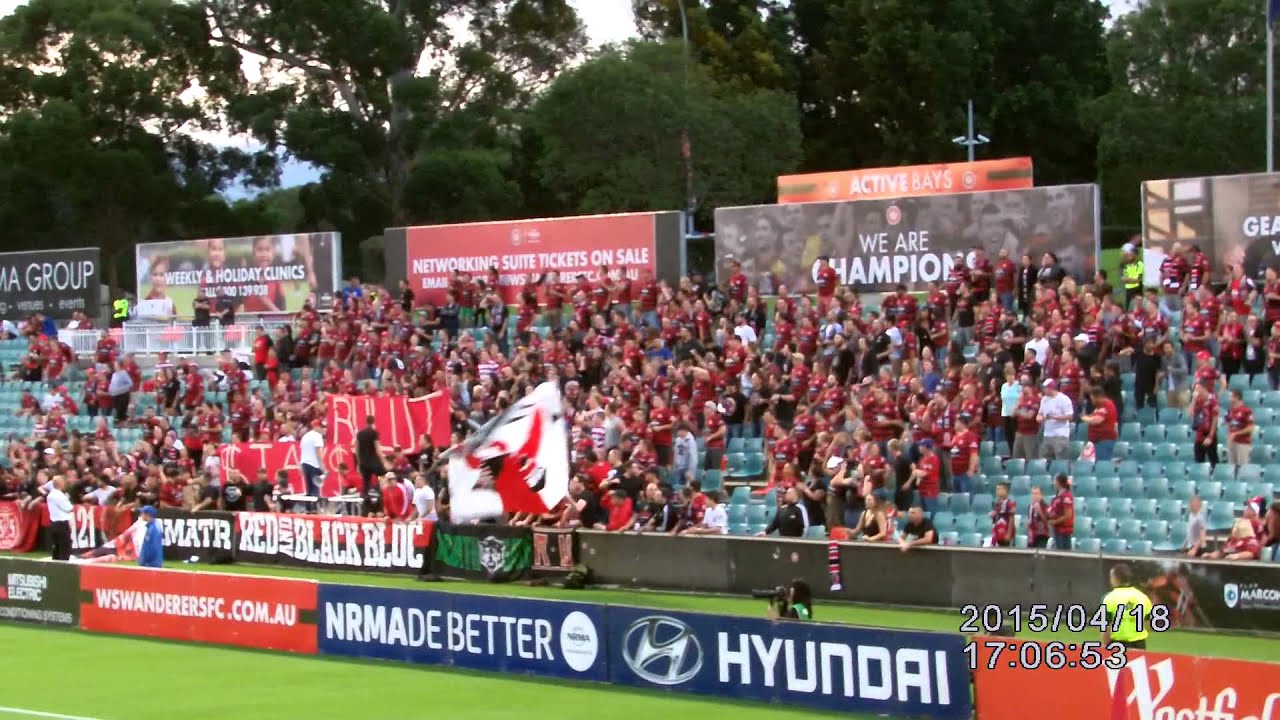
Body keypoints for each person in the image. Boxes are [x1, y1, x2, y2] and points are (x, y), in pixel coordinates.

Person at [1101, 563, 1153, 650]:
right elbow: (1147, 624)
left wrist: (1105, 646)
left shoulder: (1109, 598)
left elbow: (1106, 627)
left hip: (1116, 646)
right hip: (1139, 645)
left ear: (1115, 578)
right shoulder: (1142, 597)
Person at [1036, 379, 1073, 460]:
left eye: (1045, 388)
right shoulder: (1044, 399)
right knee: (1045, 459)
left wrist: (1054, 417)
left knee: (1061, 459)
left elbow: (1070, 416)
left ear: (1051, 388)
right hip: (1047, 434)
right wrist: (1039, 418)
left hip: (1060, 434)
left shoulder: (1063, 399)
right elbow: (1040, 413)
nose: (1043, 390)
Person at [1080, 386, 1119, 461]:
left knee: (1102, 463)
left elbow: (1097, 420)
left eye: (1093, 398)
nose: (1092, 401)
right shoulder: (1100, 407)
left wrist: (1084, 418)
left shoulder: (1106, 405)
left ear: (1098, 396)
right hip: (1097, 441)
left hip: (1104, 440)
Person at [1224, 389, 1256, 467]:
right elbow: (1228, 423)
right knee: (1231, 466)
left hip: (1243, 443)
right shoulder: (1231, 410)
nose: (1229, 399)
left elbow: (1251, 428)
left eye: (1231, 396)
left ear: (1237, 397)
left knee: (1242, 466)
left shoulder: (1246, 411)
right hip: (1232, 442)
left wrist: (1236, 433)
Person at [45, 475, 73, 561]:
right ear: (61, 484)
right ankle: (63, 567)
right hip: (62, 524)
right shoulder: (60, 496)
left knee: (56, 547)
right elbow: (68, 508)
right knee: (64, 547)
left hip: (53, 523)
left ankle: (55, 564)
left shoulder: (50, 495)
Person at [300, 419, 326, 501]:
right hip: (314, 464)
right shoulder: (317, 436)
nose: (324, 430)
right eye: (322, 427)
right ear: (317, 427)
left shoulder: (305, 436)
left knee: (309, 488)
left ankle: (309, 509)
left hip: (305, 463)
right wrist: (323, 468)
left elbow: (303, 452)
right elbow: (318, 453)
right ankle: (314, 509)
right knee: (315, 488)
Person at [1047, 474, 1075, 551]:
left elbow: (1068, 514)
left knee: (1063, 555)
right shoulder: (1057, 497)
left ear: (1059, 483)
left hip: (1064, 531)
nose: (1053, 483)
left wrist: (1055, 521)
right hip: (1057, 530)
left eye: (1055, 481)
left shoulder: (1066, 496)